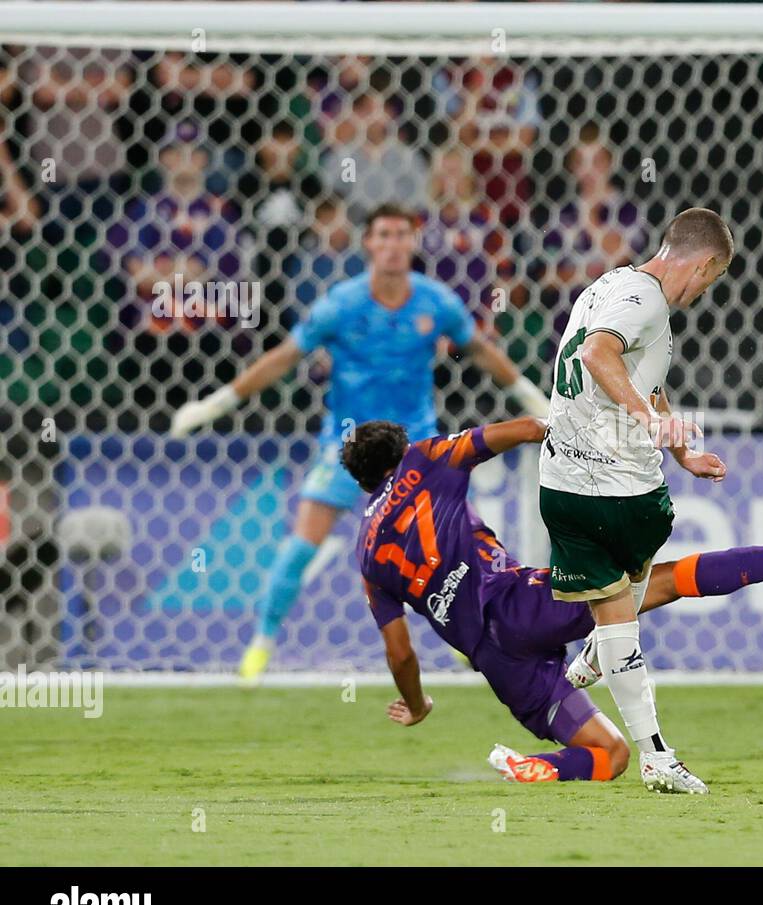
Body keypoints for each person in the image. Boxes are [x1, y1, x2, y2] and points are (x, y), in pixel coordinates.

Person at [168, 203, 550, 680]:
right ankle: (261, 645)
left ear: (413, 242)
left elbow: (479, 350)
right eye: (383, 235)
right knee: (304, 540)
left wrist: (534, 399)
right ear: (368, 243)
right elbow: (286, 356)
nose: (392, 244)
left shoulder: (435, 303)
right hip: (347, 445)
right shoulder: (341, 304)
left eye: (400, 234)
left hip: (416, 444)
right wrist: (216, 404)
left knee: (453, 544)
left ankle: (467, 640)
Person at [344, 417, 763, 784]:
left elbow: (401, 653)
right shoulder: (425, 458)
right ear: (401, 449)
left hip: (496, 661)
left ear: (364, 482)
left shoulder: (367, 552)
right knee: (653, 583)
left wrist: (418, 704)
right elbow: (516, 429)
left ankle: (542, 764)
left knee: (611, 755)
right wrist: (564, 437)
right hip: (522, 602)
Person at [538, 207, 748, 794]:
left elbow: (642, 382)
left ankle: (593, 659)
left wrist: (683, 449)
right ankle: (655, 755)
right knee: (623, 613)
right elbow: (598, 356)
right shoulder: (649, 302)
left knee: (617, 612)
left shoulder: (609, 286)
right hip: (621, 491)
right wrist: (641, 418)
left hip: (561, 483)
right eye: (712, 280)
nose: (705, 291)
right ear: (704, 263)